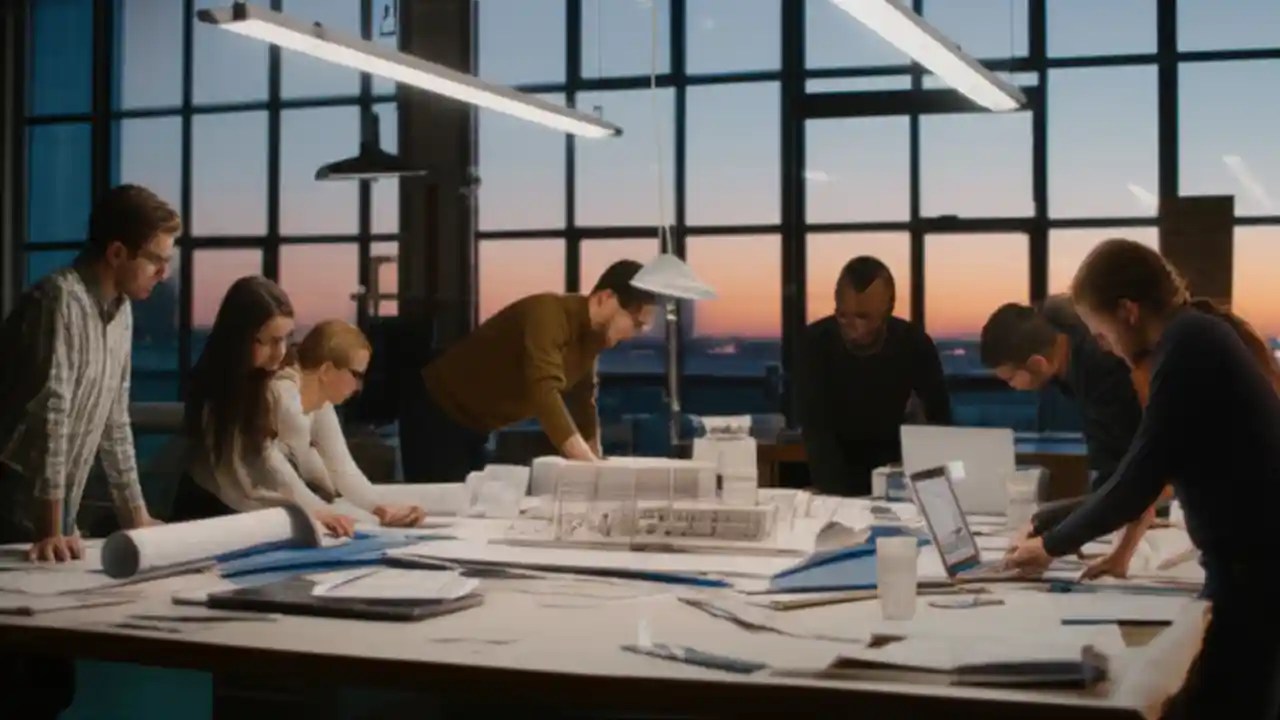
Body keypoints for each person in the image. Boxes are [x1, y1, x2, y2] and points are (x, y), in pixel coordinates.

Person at [1005, 238, 1280, 719]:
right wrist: (1111, 549)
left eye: (1100, 331)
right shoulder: (1194, 336)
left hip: (1254, 576)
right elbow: (1148, 473)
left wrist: (1048, 546)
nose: (1103, 346)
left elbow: (1136, 480)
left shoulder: (1187, 348)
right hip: (1249, 570)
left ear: (1128, 311)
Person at [0, 184, 178, 719]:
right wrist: (50, 525)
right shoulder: (57, 299)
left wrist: (138, 516)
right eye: (156, 260)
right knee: (16, 680)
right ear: (117, 252)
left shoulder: (121, 312)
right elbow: (49, 415)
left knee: (53, 684)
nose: (163, 274)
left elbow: (114, 420)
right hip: (11, 505)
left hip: (54, 510)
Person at [402, 260, 657, 482]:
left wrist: (596, 458)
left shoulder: (592, 340)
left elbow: (583, 401)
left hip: (477, 426)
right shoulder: (548, 313)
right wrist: (588, 465)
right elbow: (544, 391)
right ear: (606, 298)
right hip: (436, 413)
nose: (635, 334)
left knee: (473, 509)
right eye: (636, 323)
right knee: (446, 515)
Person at [980, 297, 1149, 576]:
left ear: (1037, 363)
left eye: (1010, 379)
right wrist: (1044, 525)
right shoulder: (1069, 361)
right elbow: (1119, 484)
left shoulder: (1101, 369)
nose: (1011, 387)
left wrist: (1051, 543)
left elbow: (1131, 486)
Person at [176, 276, 354, 537]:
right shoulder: (217, 389)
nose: (280, 351)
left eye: (286, 338)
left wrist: (319, 506)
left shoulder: (268, 377)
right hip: (208, 514)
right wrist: (313, 510)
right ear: (241, 338)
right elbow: (250, 470)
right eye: (270, 340)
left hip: (243, 511)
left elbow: (275, 457)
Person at [799, 256, 951, 496]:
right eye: (843, 316)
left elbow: (939, 424)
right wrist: (837, 496)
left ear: (888, 310)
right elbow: (816, 429)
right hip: (833, 472)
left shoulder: (915, 344)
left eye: (863, 317)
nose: (853, 328)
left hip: (898, 475)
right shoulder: (815, 343)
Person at [272, 319, 426, 527]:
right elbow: (277, 476)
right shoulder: (283, 398)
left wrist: (381, 508)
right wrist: (323, 512)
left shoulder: (320, 403)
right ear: (326, 371)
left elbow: (342, 468)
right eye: (356, 375)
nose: (359, 387)